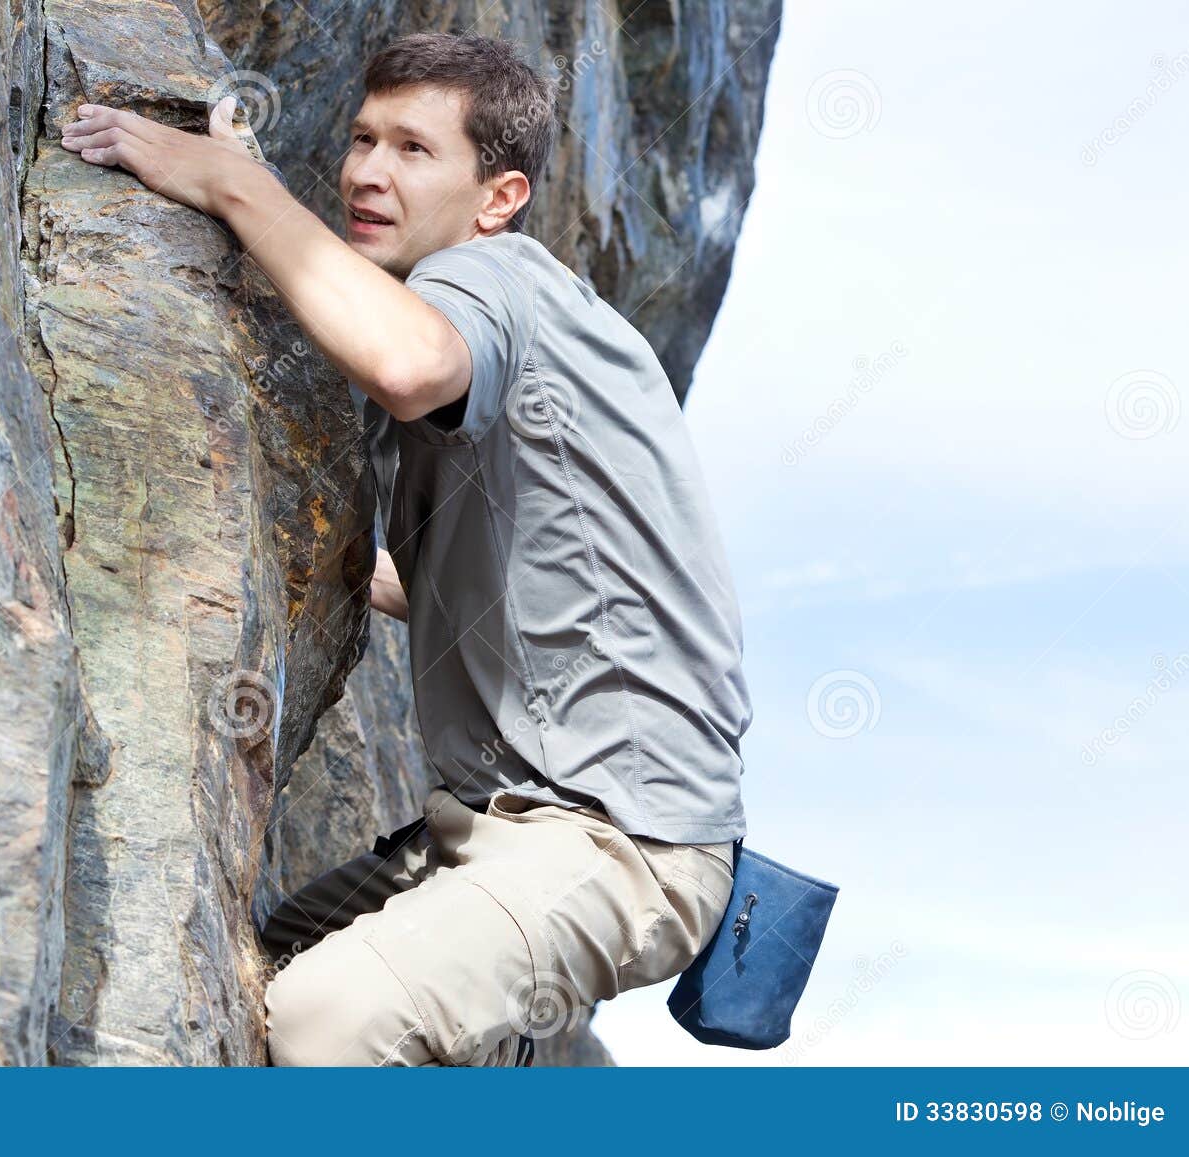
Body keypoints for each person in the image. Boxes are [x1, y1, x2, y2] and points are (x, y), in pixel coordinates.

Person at [62, 30, 751, 1067]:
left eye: (414, 150)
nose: (366, 171)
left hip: (620, 843)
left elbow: (406, 361)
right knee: (268, 964)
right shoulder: (512, 347)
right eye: (360, 138)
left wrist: (233, 186)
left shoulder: (501, 277)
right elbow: (491, 575)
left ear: (498, 197)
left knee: (324, 1019)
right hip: (493, 823)